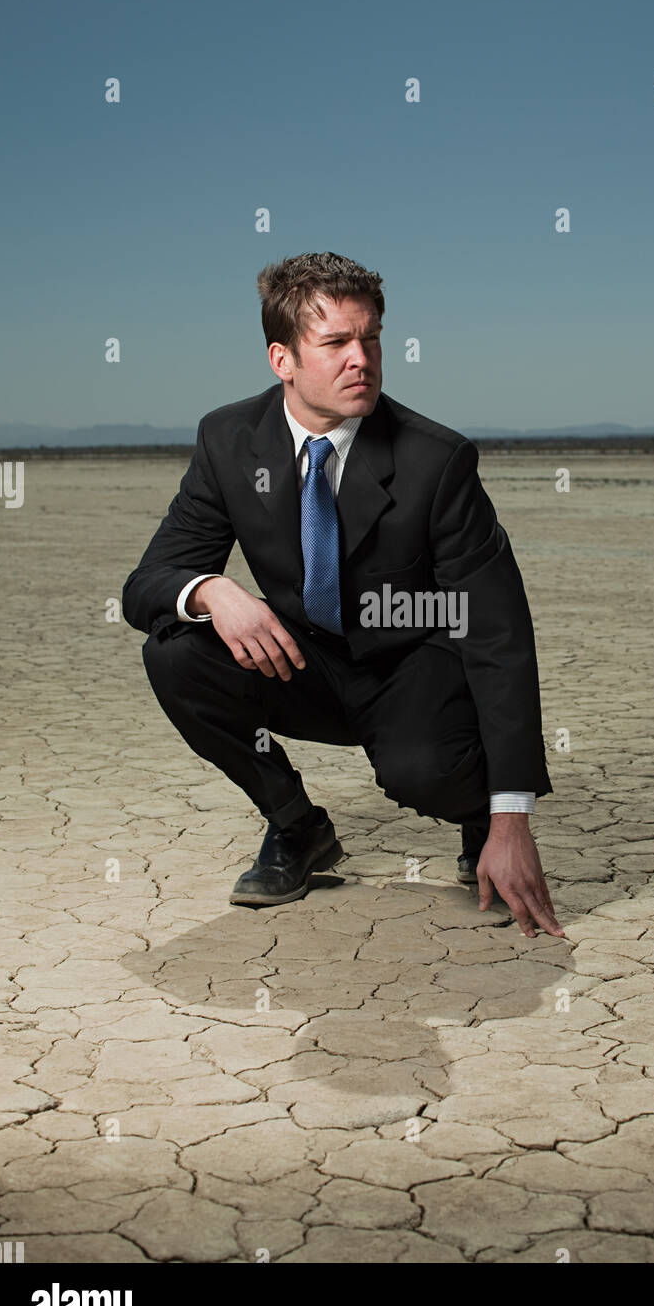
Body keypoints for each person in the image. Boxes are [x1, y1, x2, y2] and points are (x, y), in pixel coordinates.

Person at [122, 251, 563, 939]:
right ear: (283, 359)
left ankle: (475, 818)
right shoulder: (228, 440)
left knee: (423, 773)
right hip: (304, 664)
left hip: (413, 669)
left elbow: (497, 630)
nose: (362, 359)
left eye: (372, 339)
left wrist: (511, 818)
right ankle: (298, 828)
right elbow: (147, 583)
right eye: (335, 343)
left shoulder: (436, 461)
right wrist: (211, 590)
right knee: (173, 654)